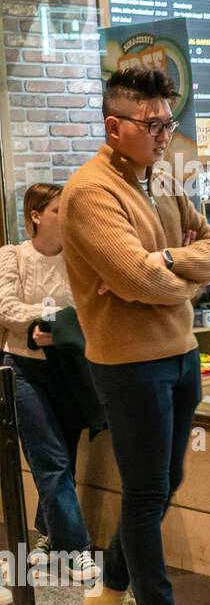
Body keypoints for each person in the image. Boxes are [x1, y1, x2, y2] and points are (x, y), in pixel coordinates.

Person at [61, 67, 210, 605]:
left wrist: (164, 263)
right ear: (114, 126)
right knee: (146, 490)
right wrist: (166, 277)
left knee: (168, 482)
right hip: (128, 364)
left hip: (180, 354)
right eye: (152, 124)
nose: (164, 135)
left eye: (168, 123)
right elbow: (137, 278)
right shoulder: (89, 193)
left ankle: (108, 595)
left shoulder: (161, 180)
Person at [0, 183, 99, 582]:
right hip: (23, 370)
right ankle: (77, 550)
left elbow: (86, 307)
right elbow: (6, 307)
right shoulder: (13, 256)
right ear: (36, 215)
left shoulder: (77, 260)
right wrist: (48, 317)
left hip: (68, 371)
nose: (66, 217)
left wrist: (53, 323)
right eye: (59, 210)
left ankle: (49, 537)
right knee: (51, 461)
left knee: (64, 456)